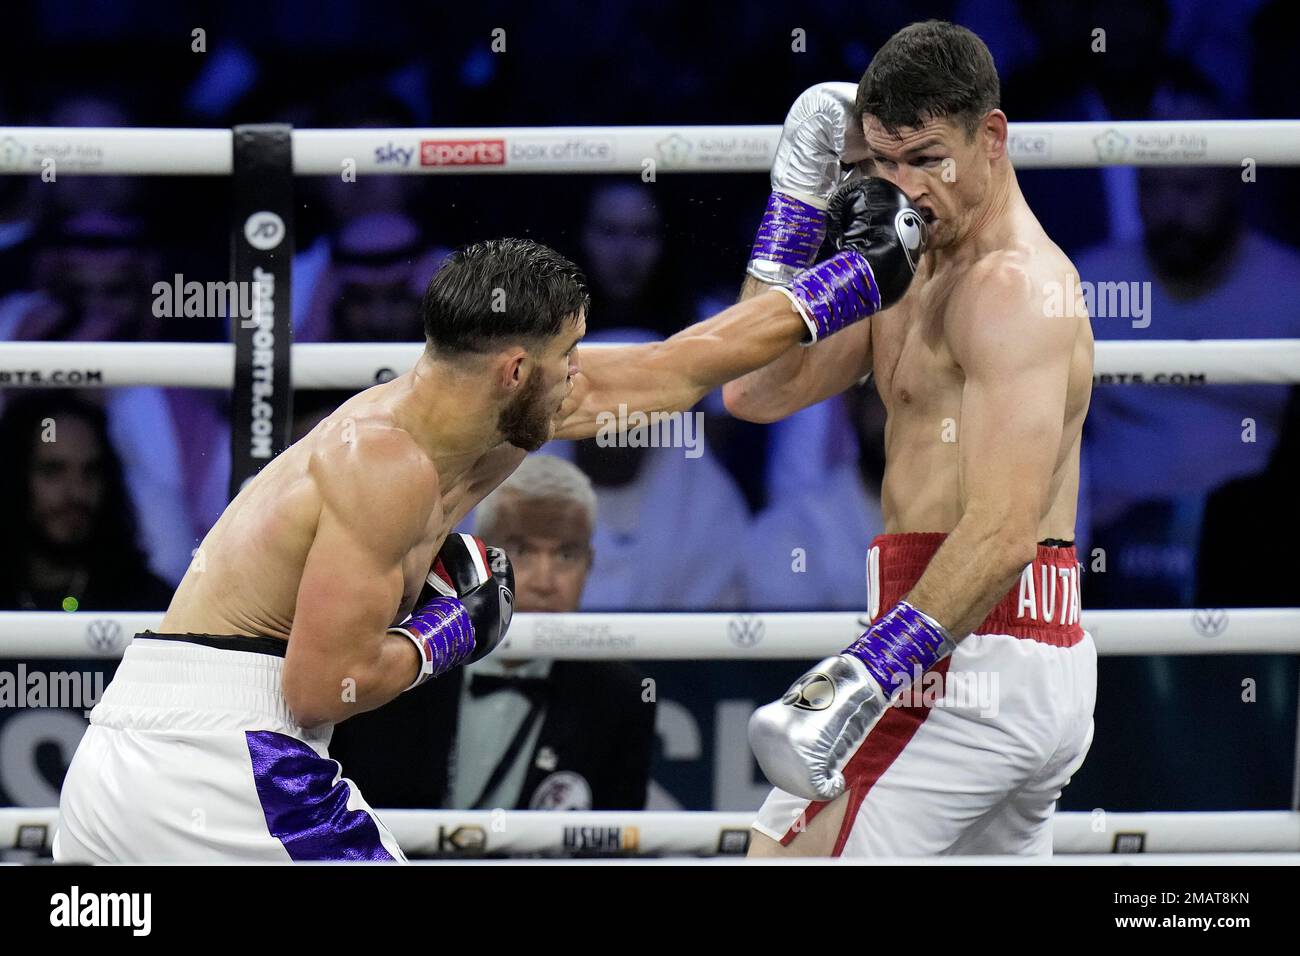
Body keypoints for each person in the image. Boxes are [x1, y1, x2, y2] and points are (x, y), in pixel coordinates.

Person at [55, 215, 922, 862]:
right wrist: (453, 629)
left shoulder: (479, 412)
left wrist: (846, 284)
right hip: (220, 756)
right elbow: (324, 687)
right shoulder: (387, 465)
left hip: (133, 754)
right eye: (571, 358)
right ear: (517, 368)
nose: (581, 378)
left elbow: (674, 369)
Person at [727, 20, 1096, 857]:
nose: (904, 189)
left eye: (928, 158)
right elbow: (754, 386)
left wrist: (863, 677)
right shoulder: (907, 263)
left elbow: (1004, 533)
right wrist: (796, 202)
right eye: (883, 163)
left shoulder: (1016, 287)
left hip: (971, 655)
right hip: (960, 647)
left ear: (990, 136)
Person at [0, 393, 171, 612]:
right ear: (13, 477)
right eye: (53, 471)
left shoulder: (148, 604)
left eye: (90, 472)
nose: (76, 492)